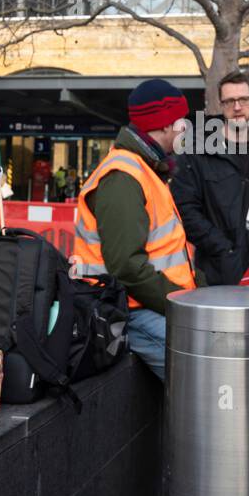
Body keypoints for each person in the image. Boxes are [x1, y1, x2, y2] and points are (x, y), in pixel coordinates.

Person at [73, 79, 198, 382]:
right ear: (166, 124)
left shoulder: (144, 168)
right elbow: (126, 267)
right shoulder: (124, 176)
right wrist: (182, 306)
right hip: (130, 310)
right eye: (183, 120)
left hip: (148, 304)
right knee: (203, 372)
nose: (187, 128)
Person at [172, 71, 249, 285]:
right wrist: (224, 249)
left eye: (243, 99)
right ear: (220, 104)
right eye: (229, 101)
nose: (237, 107)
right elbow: (185, 208)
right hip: (217, 271)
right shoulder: (196, 151)